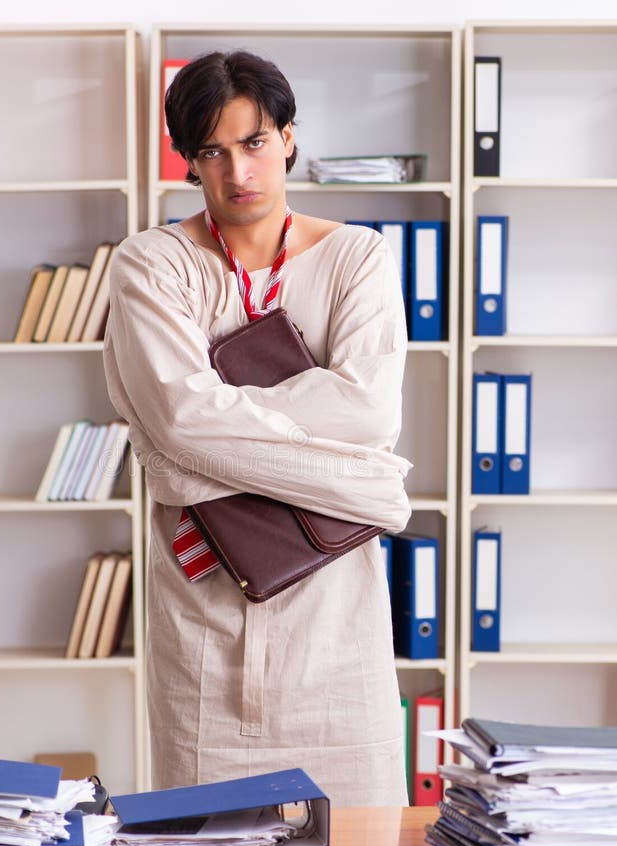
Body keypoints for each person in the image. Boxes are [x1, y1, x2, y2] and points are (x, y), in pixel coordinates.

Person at [103, 50, 412, 807]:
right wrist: (361, 479)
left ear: (289, 139)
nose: (238, 171)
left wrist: (201, 444)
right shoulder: (152, 264)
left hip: (338, 622)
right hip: (207, 617)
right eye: (211, 150)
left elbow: (370, 412)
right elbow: (178, 425)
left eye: (255, 142)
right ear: (188, 161)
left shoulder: (357, 257)